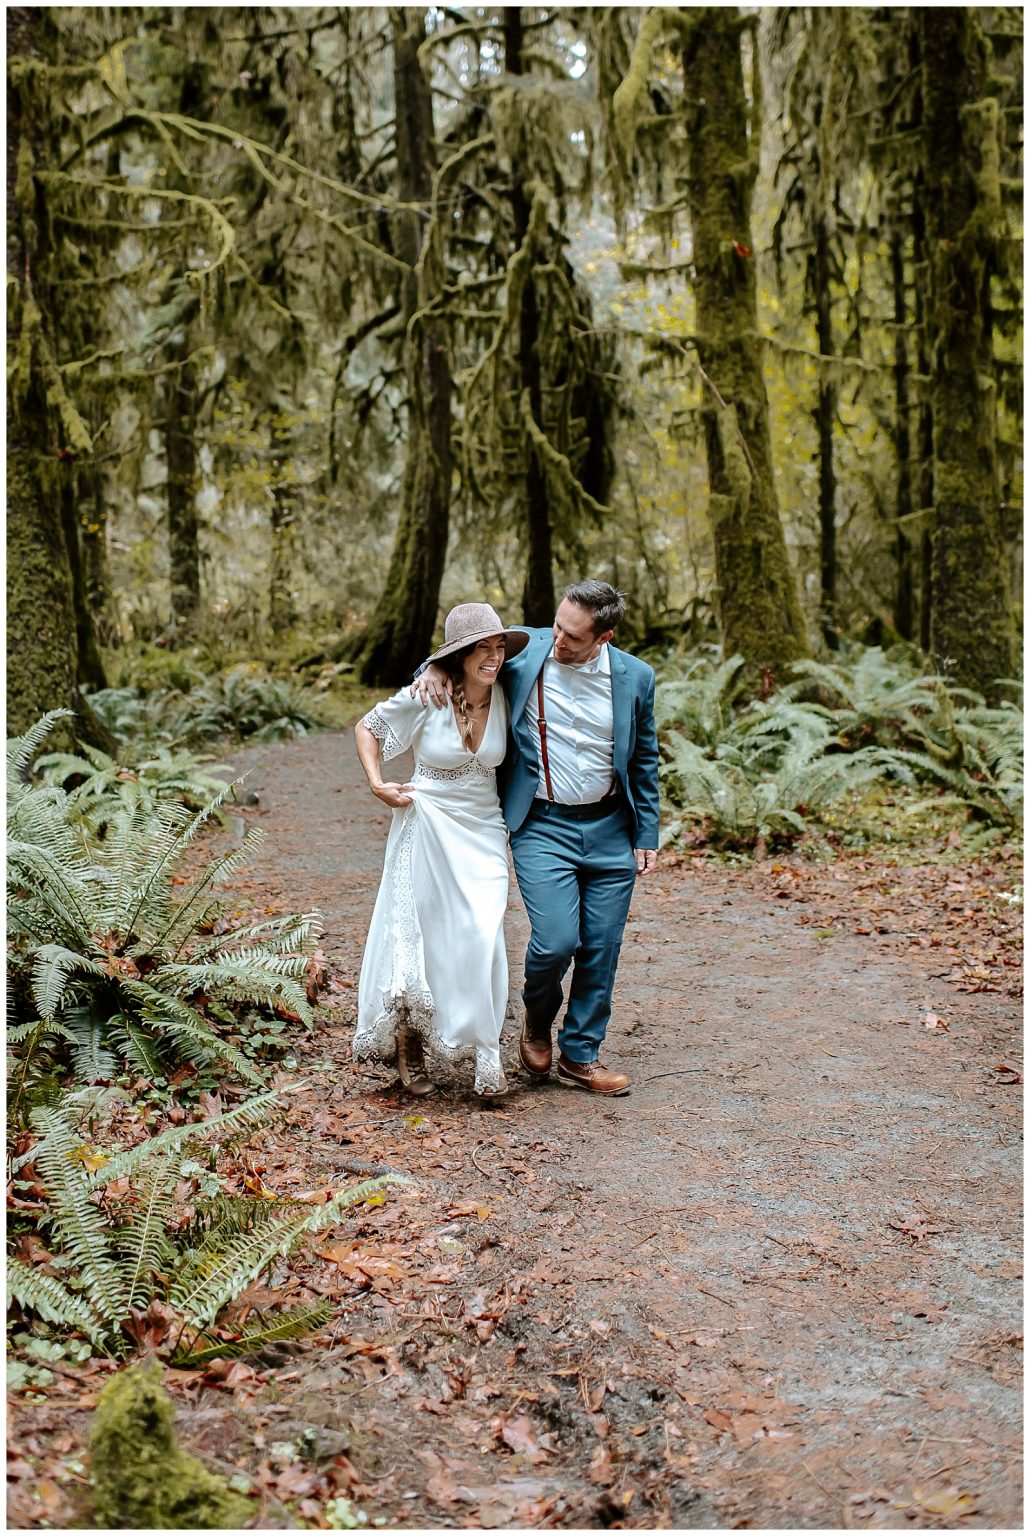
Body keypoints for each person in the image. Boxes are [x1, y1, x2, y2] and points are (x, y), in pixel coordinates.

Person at [416, 580, 660, 1096]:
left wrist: (647, 832)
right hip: (543, 824)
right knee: (555, 942)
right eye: (556, 624)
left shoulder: (636, 678)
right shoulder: (525, 654)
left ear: (604, 636)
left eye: (572, 636)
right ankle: (535, 1020)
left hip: (612, 826)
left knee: (601, 946)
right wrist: (434, 668)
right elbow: (462, 658)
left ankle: (580, 1054)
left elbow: (643, 758)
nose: (557, 639)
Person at [353, 604, 529, 1099]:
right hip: (427, 821)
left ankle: (484, 1053)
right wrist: (376, 783)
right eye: (482, 649)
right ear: (458, 655)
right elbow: (368, 728)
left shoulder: (509, 690)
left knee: (482, 932)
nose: (494, 658)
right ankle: (410, 1040)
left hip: (484, 828)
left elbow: (553, 639)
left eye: (499, 648)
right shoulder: (426, 695)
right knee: (421, 932)